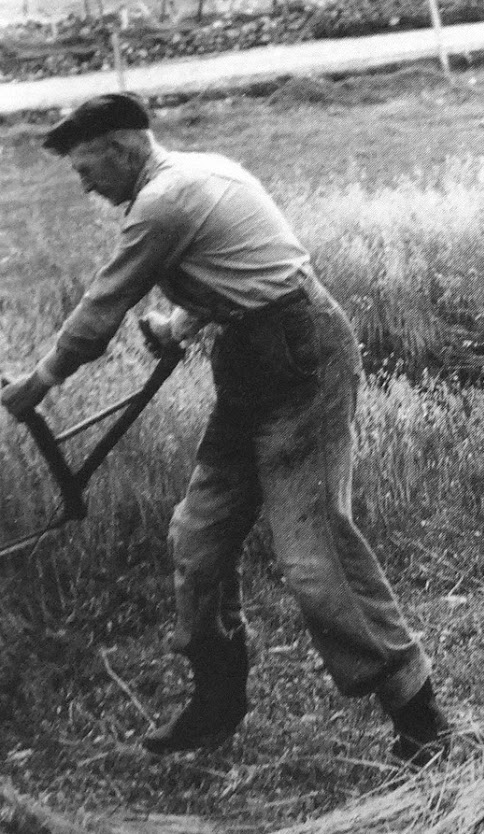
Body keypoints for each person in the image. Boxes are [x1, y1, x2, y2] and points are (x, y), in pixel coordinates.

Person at [1, 94, 450, 766]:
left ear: (124, 149)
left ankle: (421, 716)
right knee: (198, 534)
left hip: (303, 363)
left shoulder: (165, 201)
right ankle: (218, 698)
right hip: (248, 364)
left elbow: (100, 311)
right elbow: (251, 268)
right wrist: (182, 323)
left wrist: (32, 387)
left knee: (313, 554)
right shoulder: (203, 174)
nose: (85, 184)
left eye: (86, 169)